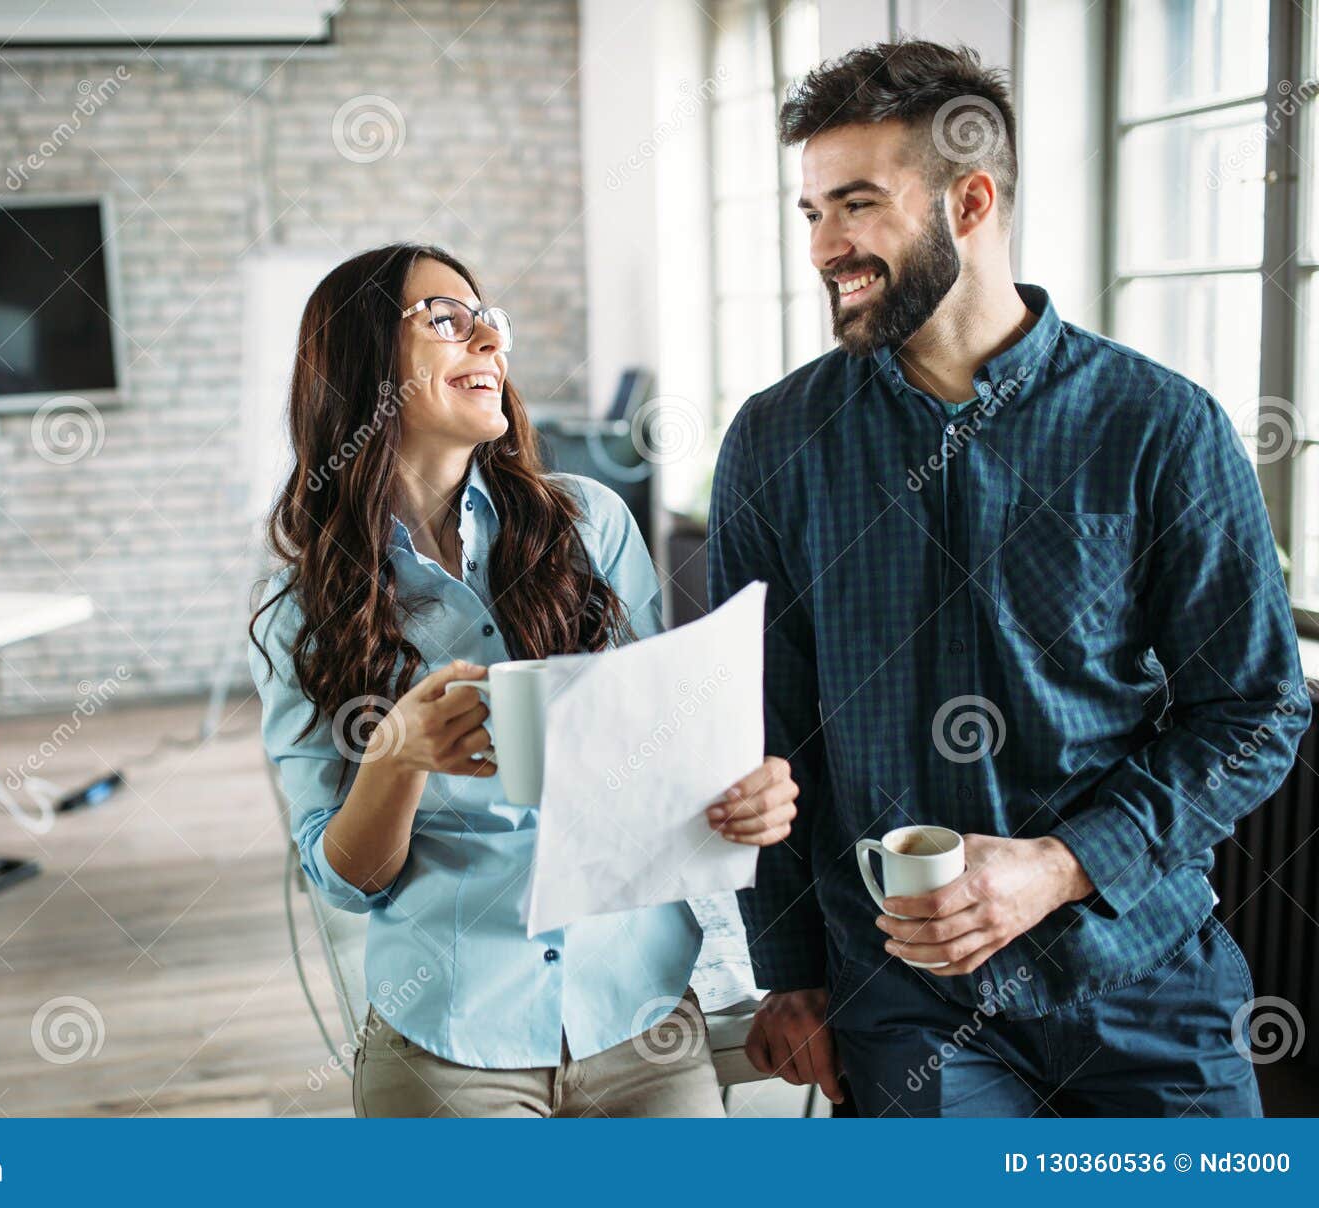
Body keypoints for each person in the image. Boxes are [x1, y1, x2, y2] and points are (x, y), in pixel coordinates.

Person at [709, 40, 1308, 1117]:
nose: (825, 247)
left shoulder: (1159, 427)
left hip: (1143, 977)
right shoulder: (775, 441)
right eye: (810, 214)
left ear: (970, 200)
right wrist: (789, 966)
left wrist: (1059, 863)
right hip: (907, 1001)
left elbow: (1257, 708)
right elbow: (762, 723)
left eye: (856, 206)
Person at [250, 242, 799, 1117]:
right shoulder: (299, 606)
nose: (489, 343)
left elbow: (667, 755)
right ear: (360, 363)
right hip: (453, 1035)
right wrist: (397, 759)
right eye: (447, 321)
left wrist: (745, 796)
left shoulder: (590, 525)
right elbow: (347, 878)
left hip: (643, 1014)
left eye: (490, 322)